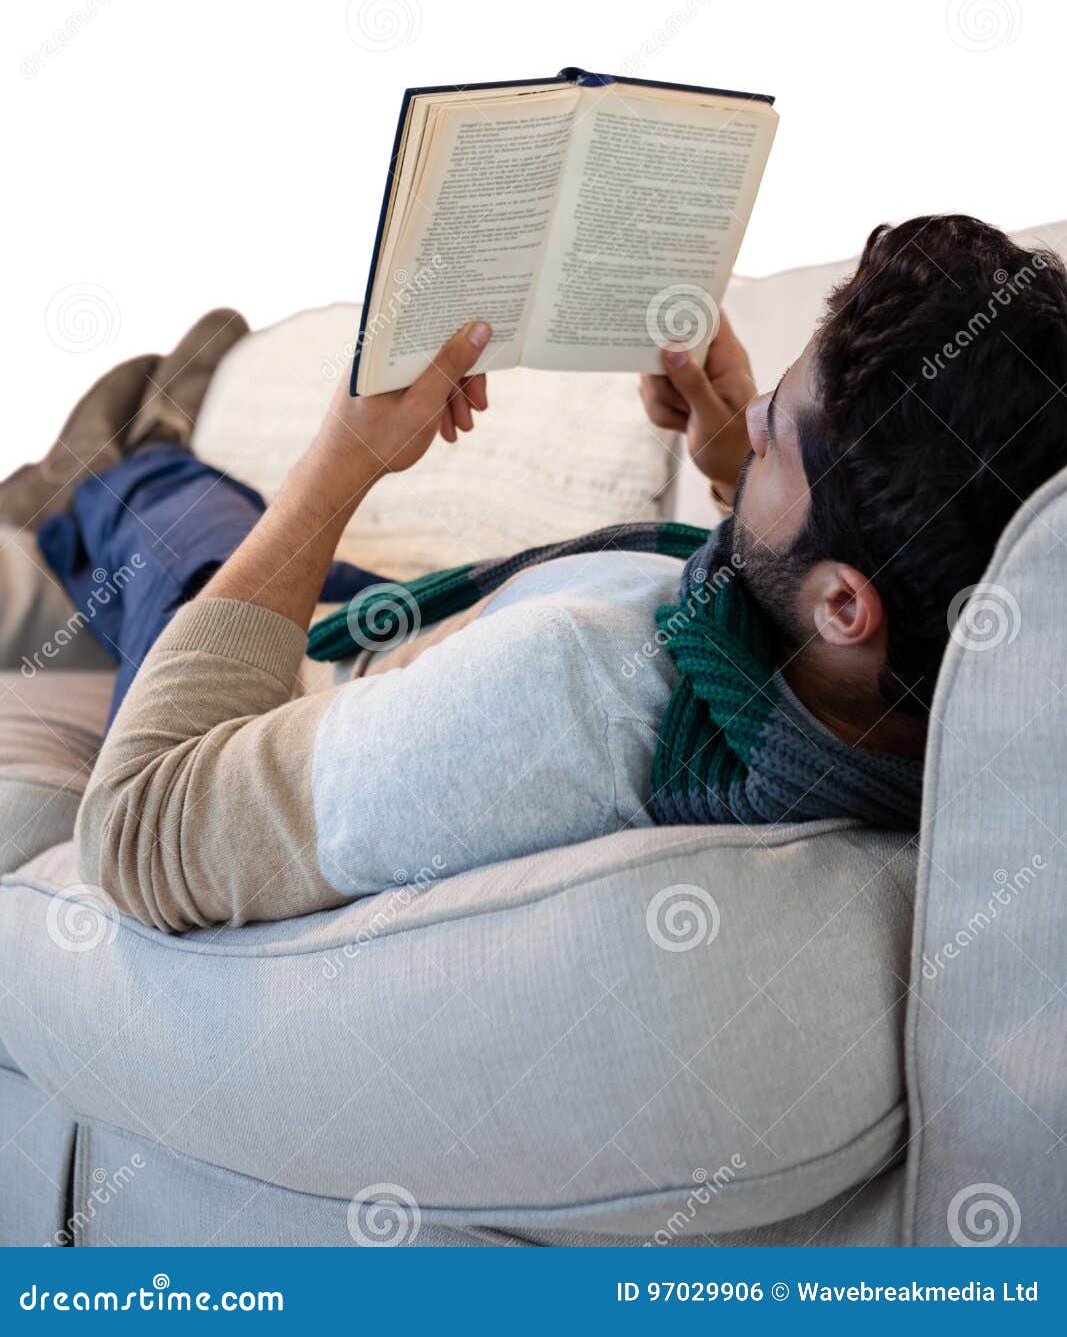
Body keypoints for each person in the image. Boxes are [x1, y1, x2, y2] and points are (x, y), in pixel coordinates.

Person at [3, 215, 1066, 933]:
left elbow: (138, 830)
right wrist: (738, 471)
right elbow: (838, 649)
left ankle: (98, 456)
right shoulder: (951, 732)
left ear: (843, 604)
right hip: (409, 613)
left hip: (287, 687)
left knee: (159, 514)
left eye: (776, 432)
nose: (748, 418)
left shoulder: (567, 696)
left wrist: (343, 462)